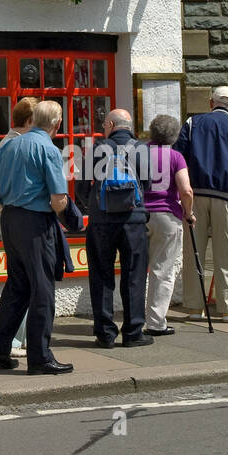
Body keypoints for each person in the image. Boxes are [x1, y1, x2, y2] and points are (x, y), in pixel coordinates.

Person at [0, 99, 73, 376]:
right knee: (42, 289)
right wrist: (65, 214)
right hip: (34, 223)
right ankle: (40, 358)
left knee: (16, 287)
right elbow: (57, 198)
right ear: (57, 124)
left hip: (10, 220)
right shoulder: (48, 149)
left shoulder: (12, 144)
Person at [175, 86, 228, 322]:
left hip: (195, 194)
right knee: (224, 252)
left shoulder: (192, 123)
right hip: (227, 198)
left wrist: (180, 193)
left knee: (192, 251)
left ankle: (193, 307)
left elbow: (179, 157)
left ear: (211, 103)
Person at [80, 107, 151, 348]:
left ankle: (105, 334)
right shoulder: (142, 149)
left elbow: (80, 187)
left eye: (104, 126)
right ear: (128, 127)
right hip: (134, 221)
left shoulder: (96, 149)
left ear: (110, 126)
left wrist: (95, 205)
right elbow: (148, 185)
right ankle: (133, 332)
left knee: (101, 275)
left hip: (101, 222)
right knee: (134, 275)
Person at [0, 96, 39, 352]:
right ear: (29, 120)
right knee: (22, 280)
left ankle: (20, 339)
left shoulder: (10, 141)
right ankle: (14, 339)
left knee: (23, 279)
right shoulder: (14, 143)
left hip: (12, 218)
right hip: (18, 219)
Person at [142, 115, 194, 336]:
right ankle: (155, 322)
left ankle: (133, 320)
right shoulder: (175, 157)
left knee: (134, 271)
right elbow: (186, 190)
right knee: (162, 271)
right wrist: (189, 213)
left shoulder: (139, 153)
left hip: (138, 215)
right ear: (173, 136)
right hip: (166, 216)